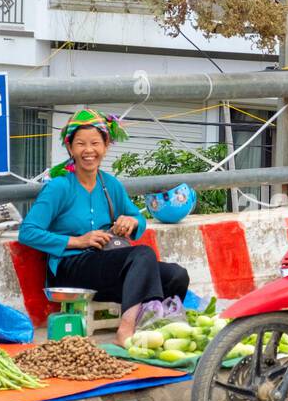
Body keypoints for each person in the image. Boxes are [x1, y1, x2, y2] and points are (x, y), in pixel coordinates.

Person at [19, 108, 189, 346]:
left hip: (106, 266)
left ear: (106, 146)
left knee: (176, 275)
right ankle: (126, 331)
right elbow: (27, 232)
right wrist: (78, 241)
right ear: (70, 148)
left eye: (95, 143)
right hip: (72, 269)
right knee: (142, 254)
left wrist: (131, 222)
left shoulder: (110, 184)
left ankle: (154, 327)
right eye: (81, 144)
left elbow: (137, 219)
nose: (88, 151)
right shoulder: (59, 187)